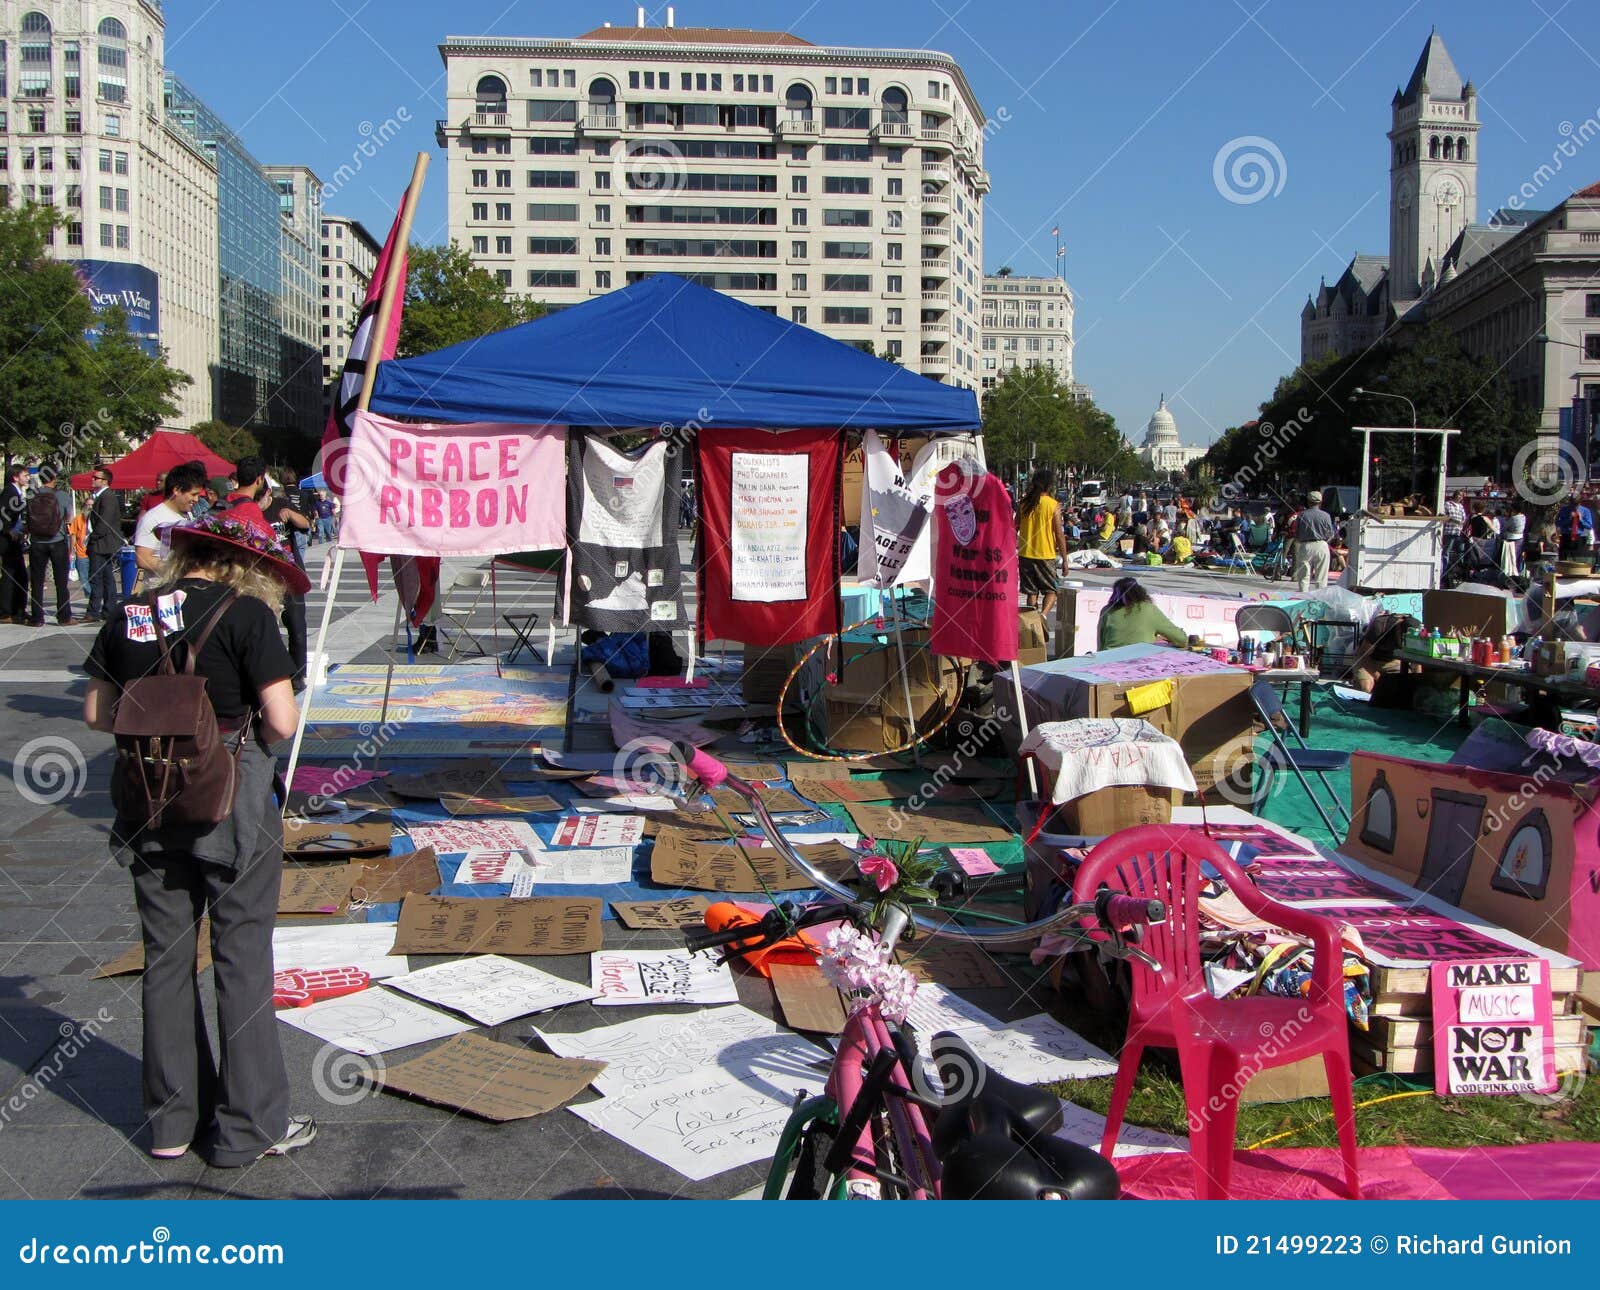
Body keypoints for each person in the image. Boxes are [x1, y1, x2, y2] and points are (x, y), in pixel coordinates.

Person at [82, 514, 315, 1166]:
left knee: (165, 959)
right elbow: (280, 719)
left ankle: (171, 1123)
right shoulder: (244, 615)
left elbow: (98, 713)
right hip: (230, 807)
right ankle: (248, 1128)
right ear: (244, 564)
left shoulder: (130, 613)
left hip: (148, 806)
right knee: (241, 961)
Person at [262, 485, 311, 690]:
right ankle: (272, 676)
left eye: (263, 498)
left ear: (268, 493)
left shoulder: (282, 504)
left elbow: (305, 524)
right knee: (266, 629)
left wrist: (291, 514)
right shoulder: (252, 510)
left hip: (291, 575)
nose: (261, 503)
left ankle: (298, 675)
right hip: (266, 578)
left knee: (297, 627)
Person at [132, 463, 208, 585]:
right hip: (161, 591)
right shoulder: (153, 518)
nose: (196, 500)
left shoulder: (188, 515)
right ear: (177, 490)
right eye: (193, 494)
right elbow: (143, 559)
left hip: (184, 588)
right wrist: (180, 568)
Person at [25, 465, 73, 626]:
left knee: (37, 582)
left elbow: (27, 518)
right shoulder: (63, 495)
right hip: (57, 541)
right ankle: (64, 617)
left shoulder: (31, 494)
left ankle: (37, 618)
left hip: (37, 542)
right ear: (55, 478)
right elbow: (69, 518)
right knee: (61, 582)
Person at [1016, 467, 1066, 619]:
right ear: (1049, 485)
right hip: (1045, 554)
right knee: (1052, 590)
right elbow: (1058, 533)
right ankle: (1043, 616)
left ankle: (1032, 619)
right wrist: (1065, 559)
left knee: (1031, 591)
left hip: (1025, 554)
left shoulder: (1024, 503)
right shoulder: (1053, 505)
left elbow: (1014, 525)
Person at [1097, 577, 1187, 650]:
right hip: (1139, 662)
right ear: (1140, 591)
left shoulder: (1107, 610)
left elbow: (1101, 643)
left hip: (1109, 661)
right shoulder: (1149, 609)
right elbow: (1181, 640)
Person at [86, 465, 124, 621]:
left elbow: (104, 522)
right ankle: (108, 609)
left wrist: (93, 537)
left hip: (102, 544)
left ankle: (93, 611)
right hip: (103, 543)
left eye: (96, 478)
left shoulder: (107, 497)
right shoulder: (101, 497)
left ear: (105, 481)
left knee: (96, 578)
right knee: (107, 577)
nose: (93, 480)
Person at [0, 463, 31, 623]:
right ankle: (7, 611)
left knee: (18, 575)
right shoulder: (9, 491)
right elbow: (3, 512)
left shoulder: (18, 492)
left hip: (15, 539)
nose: (28, 478)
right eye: (25, 475)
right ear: (15, 477)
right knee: (12, 574)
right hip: (8, 541)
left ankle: (16, 609)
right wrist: (9, 530)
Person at [1293, 490, 1336, 592]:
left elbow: (1297, 533)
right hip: (1322, 545)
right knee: (1321, 577)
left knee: (1304, 576)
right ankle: (1320, 599)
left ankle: (1304, 598)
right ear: (1320, 502)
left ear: (1308, 501)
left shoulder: (1302, 515)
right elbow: (1330, 533)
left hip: (1305, 545)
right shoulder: (1326, 515)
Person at [68, 496, 91, 607]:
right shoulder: (78, 519)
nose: (90, 507)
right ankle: (91, 596)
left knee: (95, 578)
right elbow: (73, 536)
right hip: (81, 553)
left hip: (94, 553)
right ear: (84, 506)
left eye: (92, 505)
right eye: (88, 505)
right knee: (83, 578)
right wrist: (72, 552)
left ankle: (93, 598)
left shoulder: (97, 519)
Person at [1557, 496, 1595, 560]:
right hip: (1566, 536)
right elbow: (1558, 523)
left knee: (1577, 560)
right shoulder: (1564, 510)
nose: (1574, 506)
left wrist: (1581, 520)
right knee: (1563, 559)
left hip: (1580, 537)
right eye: (1572, 504)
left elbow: (1589, 526)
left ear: (1580, 503)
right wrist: (1569, 518)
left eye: (1576, 504)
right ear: (1570, 502)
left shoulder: (1585, 511)